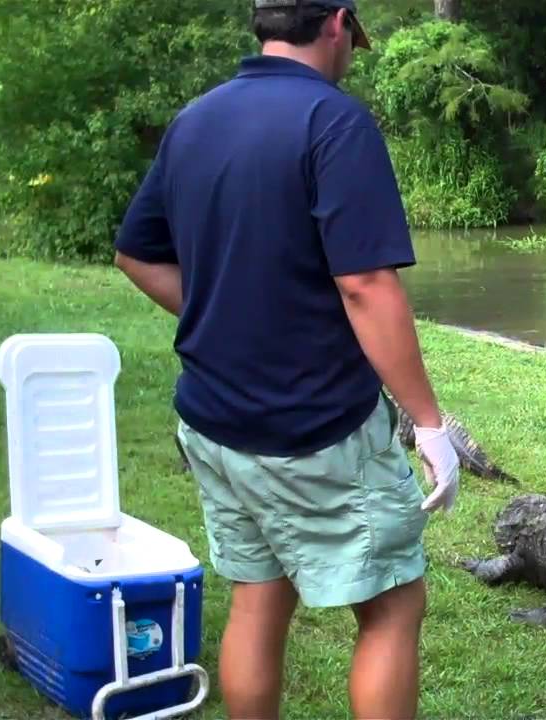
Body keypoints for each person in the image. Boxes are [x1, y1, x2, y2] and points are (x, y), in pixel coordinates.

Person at [111, 1, 459, 718]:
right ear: (337, 23)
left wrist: (227, 317)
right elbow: (365, 284)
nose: (352, 52)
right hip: (315, 426)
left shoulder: (195, 120)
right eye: (354, 38)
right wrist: (428, 423)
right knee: (392, 605)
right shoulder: (335, 121)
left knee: (259, 598)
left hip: (213, 422)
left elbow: (137, 254)